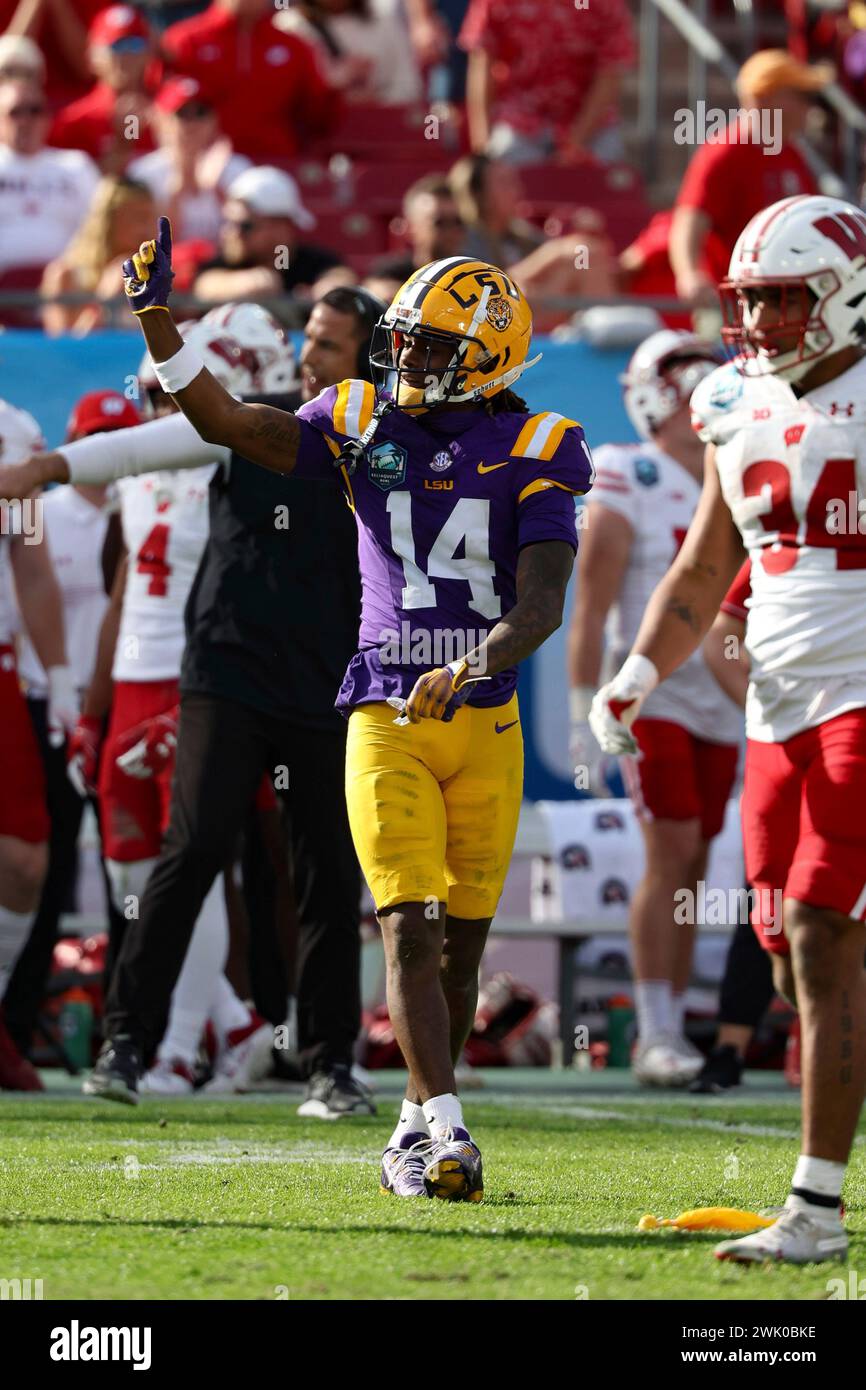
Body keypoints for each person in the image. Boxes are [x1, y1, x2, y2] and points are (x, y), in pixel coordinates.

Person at [104, 224, 595, 1200]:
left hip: (482, 718)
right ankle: (450, 1132)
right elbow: (229, 422)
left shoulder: (540, 444)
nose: (405, 359)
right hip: (382, 710)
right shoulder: (361, 416)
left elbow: (540, 600)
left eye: (429, 348)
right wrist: (158, 318)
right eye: (403, 340)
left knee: (458, 951)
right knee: (404, 923)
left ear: (487, 357)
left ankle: (411, 1124)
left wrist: (472, 661)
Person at [3, 288, 381, 1118]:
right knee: (191, 849)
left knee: (325, 869)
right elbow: (145, 446)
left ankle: (329, 1062)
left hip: (328, 676)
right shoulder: (263, 422)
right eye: (308, 340)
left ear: (370, 359)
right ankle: (127, 1040)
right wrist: (47, 467)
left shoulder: (387, 438)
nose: (312, 357)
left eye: (331, 345)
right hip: (230, 670)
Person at [589, 193, 866, 1264]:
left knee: (815, 930)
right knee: (791, 962)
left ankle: (814, 1209)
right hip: (773, 709)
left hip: (858, 696)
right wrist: (634, 671)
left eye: (782, 298)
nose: (758, 321)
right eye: (746, 299)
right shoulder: (724, 401)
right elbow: (706, 562)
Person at [569, 330, 742, 1086]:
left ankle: (670, 1017)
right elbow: (592, 609)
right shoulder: (625, 470)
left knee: (697, 858)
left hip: (721, 700)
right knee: (669, 851)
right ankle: (655, 1028)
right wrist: (585, 708)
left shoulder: (730, 468)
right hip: (654, 695)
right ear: (654, 394)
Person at [2, 390, 129, 1064]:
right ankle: (16, 1027)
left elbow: (31, 571)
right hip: (46, 697)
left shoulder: (148, 508)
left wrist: (59, 679)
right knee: (40, 871)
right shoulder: (43, 497)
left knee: (107, 877)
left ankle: (120, 1035)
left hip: (108, 703)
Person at [0, 398, 78, 1088]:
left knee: (25, 856)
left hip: (0, 661)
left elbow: (27, 561)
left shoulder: (14, 435)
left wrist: (57, 675)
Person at [688, 558, 776, 1095]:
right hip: (794, 747)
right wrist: (774, 715)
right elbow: (722, 634)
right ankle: (731, 1045)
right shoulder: (781, 530)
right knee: (768, 898)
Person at [670, 50, 828, 309]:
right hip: (740, 304)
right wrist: (689, 275)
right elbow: (689, 220)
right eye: (800, 96)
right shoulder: (724, 153)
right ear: (764, 97)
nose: (808, 107)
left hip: (787, 302)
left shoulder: (791, 154)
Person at [459, 0, 636, 164]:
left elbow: (611, 73)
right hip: (520, 121)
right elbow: (481, 64)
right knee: (502, 166)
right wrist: (482, 149)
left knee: (608, 173)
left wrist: (575, 143)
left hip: (591, 125)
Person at [161, 0, 338, 161]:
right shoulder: (183, 41)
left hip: (274, 167)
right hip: (202, 168)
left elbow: (318, 116)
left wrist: (334, 88)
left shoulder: (295, 47)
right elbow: (160, 108)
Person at [192, 165, 342, 303]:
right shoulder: (230, 259)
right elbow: (204, 284)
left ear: (281, 228)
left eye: (245, 225)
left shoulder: (313, 262)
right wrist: (246, 283)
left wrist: (328, 290)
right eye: (228, 222)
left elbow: (340, 277)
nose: (230, 232)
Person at [127, 77, 250, 244]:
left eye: (201, 113)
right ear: (162, 119)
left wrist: (217, 191)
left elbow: (247, 239)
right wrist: (177, 190)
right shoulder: (143, 173)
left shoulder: (238, 169)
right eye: (182, 114)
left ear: (214, 120)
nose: (192, 123)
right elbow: (148, 244)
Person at [0, 76, 99, 277]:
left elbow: (99, 227)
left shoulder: (76, 166)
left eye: (35, 111)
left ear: (47, 117)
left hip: (67, 286)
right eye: (15, 112)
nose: (26, 121)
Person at [48, 4, 159, 172]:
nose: (126, 55)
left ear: (149, 53)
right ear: (92, 56)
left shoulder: (171, 112)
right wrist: (123, 144)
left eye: (135, 44)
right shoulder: (73, 123)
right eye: (116, 46)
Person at [40, 174, 155, 335]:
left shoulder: (154, 275)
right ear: (109, 220)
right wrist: (106, 299)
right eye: (139, 218)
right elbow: (62, 352)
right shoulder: (64, 275)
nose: (147, 229)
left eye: (151, 218)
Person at [275, 0, 422, 105]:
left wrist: (378, 102)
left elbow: (409, 85)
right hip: (314, 139)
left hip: (378, 132)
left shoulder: (385, 23)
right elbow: (281, 98)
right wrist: (334, 85)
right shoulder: (286, 26)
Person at [366, 174, 465, 288]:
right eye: (439, 222)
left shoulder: (476, 271)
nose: (451, 230)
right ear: (410, 227)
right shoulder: (389, 275)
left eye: (459, 222)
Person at [448, 155, 541, 269]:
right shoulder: (461, 244)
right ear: (478, 195)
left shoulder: (526, 237)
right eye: (505, 183)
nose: (517, 190)